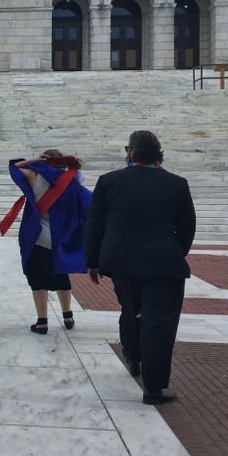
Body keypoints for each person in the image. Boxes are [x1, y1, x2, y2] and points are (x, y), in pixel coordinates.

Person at [84, 130, 196, 405]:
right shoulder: (176, 183)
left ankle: (132, 356)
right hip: (162, 262)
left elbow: (95, 224)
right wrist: (174, 252)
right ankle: (154, 387)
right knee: (159, 322)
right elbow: (187, 228)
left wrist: (93, 261)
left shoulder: (109, 181)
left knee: (130, 308)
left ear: (131, 152)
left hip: (120, 261)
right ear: (159, 154)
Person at [5, 150, 91, 334]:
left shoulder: (35, 175)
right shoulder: (72, 180)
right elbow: (87, 204)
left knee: (37, 277)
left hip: (37, 236)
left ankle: (42, 321)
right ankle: (68, 316)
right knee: (61, 275)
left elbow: (13, 167)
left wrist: (34, 161)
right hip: (61, 237)